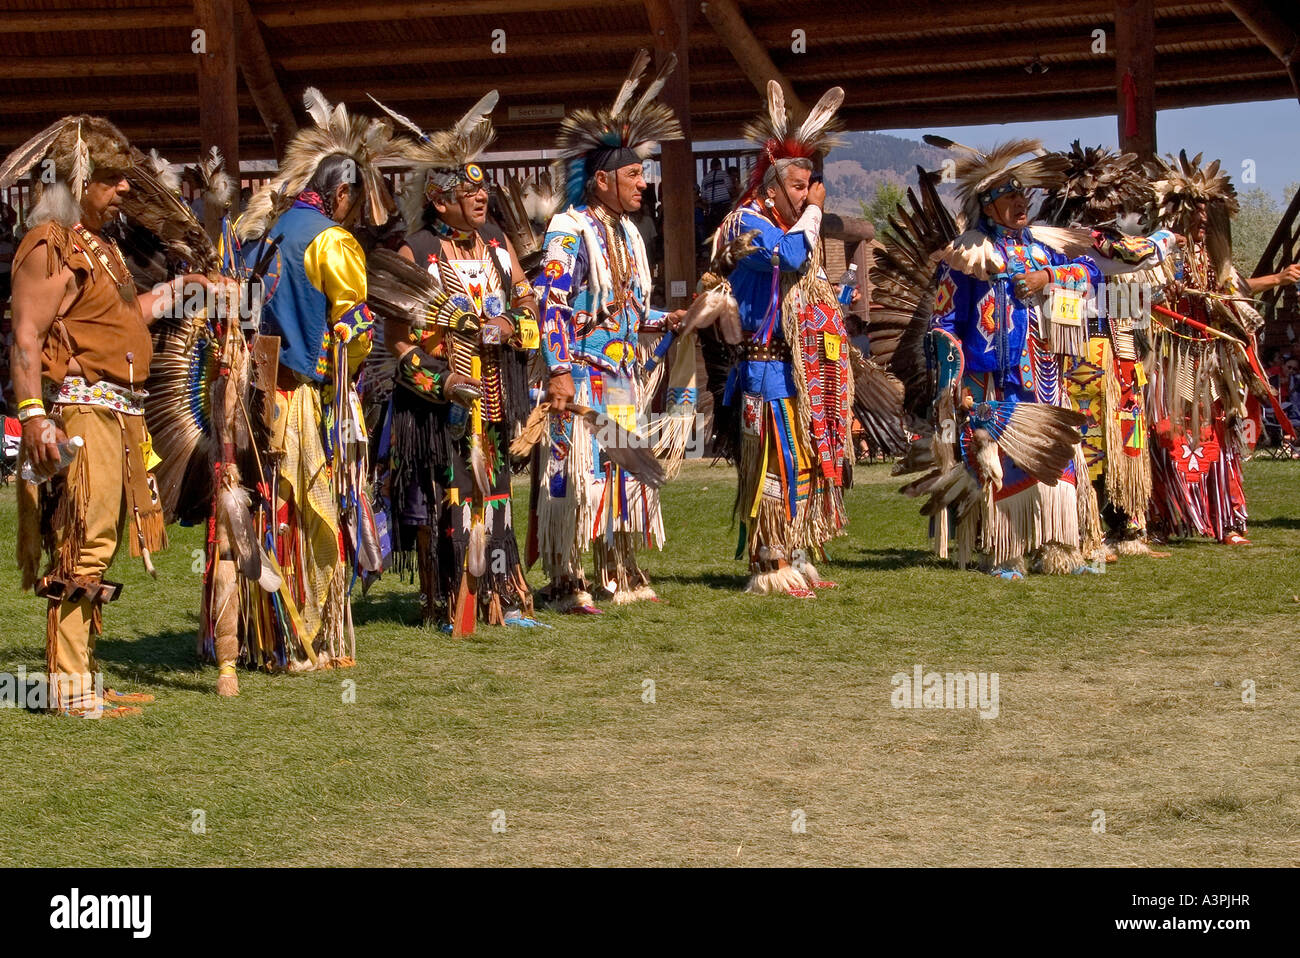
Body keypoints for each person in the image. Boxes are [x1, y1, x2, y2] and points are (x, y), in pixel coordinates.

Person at [2, 116, 218, 716]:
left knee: (100, 541)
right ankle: (66, 685)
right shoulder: (50, 245)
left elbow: (127, 318)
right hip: (81, 412)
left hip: (123, 416)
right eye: (113, 180)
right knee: (81, 543)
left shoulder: (103, 250)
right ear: (80, 179)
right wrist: (33, 418)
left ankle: (82, 675)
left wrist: (182, 291)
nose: (125, 190)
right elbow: (25, 338)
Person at [223, 90, 400, 691]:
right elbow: (353, 327)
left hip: (250, 396)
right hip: (302, 395)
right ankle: (308, 631)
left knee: (265, 505)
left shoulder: (262, 235)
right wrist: (348, 368)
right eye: (355, 201)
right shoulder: (331, 240)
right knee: (315, 508)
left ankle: (255, 634)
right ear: (343, 193)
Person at [370, 90, 542, 631]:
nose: (480, 197)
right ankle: (449, 598)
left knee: (494, 490)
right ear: (439, 200)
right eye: (467, 191)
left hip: (492, 386)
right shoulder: (416, 250)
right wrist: (441, 382)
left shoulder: (494, 241)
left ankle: (500, 594)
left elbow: (525, 295)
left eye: (483, 189)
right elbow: (396, 339)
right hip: (440, 398)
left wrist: (512, 324)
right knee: (448, 492)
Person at [534, 49, 686, 613]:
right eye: (632, 174)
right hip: (578, 377)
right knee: (573, 476)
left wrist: (661, 321)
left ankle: (618, 567)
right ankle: (565, 577)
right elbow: (553, 305)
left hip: (621, 378)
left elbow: (621, 308)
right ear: (600, 181)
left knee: (622, 477)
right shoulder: (568, 231)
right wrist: (559, 371)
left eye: (642, 174)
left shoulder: (628, 235)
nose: (643, 183)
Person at [926, 138, 1106, 579]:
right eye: (1008, 196)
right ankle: (1006, 552)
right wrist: (954, 382)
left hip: (1045, 371)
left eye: (1022, 193)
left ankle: (1061, 547)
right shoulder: (968, 255)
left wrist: (1048, 275)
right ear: (988, 206)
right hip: (993, 379)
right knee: (1000, 463)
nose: (1020, 202)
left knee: (1055, 454)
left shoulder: (1044, 247)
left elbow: (1093, 272)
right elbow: (944, 321)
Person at [709, 82, 851, 596]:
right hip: (760, 369)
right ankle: (769, 562)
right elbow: (788, 258)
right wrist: (813, 213)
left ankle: (795, 551)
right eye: (797, 186)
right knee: (773, 460)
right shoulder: (746, 223)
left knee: (803, 458)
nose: (806, 193)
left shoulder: (786, 227)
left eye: (810, 185)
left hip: (796, 370)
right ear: (771, 189)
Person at [1143, 152, 1284, 545]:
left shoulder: (1218, 262)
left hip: (1213, 358)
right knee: (1168, 434)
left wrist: (1270, 282)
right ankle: (1166, 518)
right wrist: (1161, 293)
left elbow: (1239, 291)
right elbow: (1137, 304)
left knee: (1220, 435)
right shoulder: (1158, 257)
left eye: (1206, 214)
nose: (1201, 221)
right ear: (1175, 217)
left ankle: (1228, 521)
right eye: (1193, 214)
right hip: (1171, 357)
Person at [700, 157, 731, 234]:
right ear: (720, 165)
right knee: (726, 228)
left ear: (710, 166)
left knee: (715, 230)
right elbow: (730, 188)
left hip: (713, 208)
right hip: (725, 206)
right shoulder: (724, 174)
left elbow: (704, 197)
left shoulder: (705, 179)